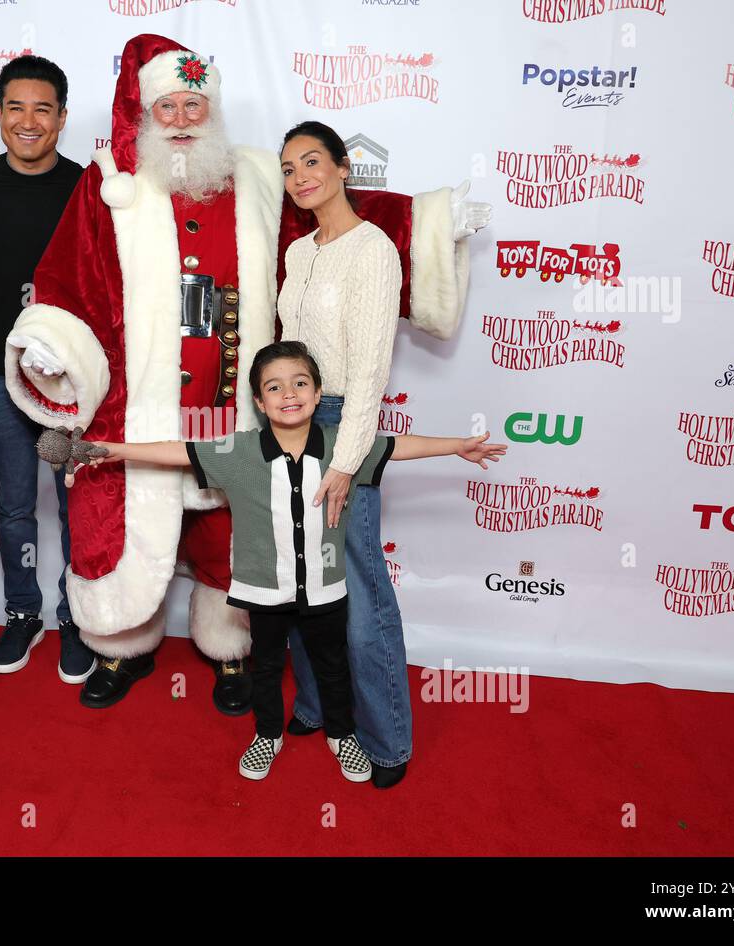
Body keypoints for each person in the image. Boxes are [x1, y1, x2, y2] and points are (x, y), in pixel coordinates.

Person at [3, 33, 486, 717]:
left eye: (192, 103)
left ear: (213, 110)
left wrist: (429, 224)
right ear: (145, 111)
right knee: (117, 524)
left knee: (235, 534)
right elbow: (71, 277)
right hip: (142, 403)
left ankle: (231, 652)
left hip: (241, 404)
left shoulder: (260, 175)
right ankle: (121, 646)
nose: (178, 117)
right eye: (164, 104)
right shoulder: (110, 178)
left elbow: (341, 214)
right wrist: (52, 344)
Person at [81, 341, 506, 781]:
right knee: (266, 667)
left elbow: (396, 446)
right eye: (275, 387)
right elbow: (179, 451)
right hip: (263, 589)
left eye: (300, 383)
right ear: (261, 402)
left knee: (332, 664)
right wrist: (113, 450)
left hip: (326, 588)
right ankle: (267, 735)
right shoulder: (241, 452)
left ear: (318, 394)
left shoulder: (341, 449)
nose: (289, 394)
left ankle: (342, 735)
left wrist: (457, 445)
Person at [279, 120, 469, 789]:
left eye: (311, 161)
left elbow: (367, 375)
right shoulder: (300, 253)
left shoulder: (373, 250)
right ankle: (315, 704)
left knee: (359, 594)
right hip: (288, 426)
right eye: (288, 168)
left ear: (340, 167)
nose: (300, 177)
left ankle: (387, 738)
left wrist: (343, 463)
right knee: (299, 584)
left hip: (341, 428)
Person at [0, 55, 95, 684]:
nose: (27, 121)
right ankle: (23, 611)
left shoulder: (87, 188)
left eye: (42, 109)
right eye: (14, 107)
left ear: (60, 117)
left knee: (76, 501)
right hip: (3, 380)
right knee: (13, 505)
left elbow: (107, 280)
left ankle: (77, 618)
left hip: (68, 382)